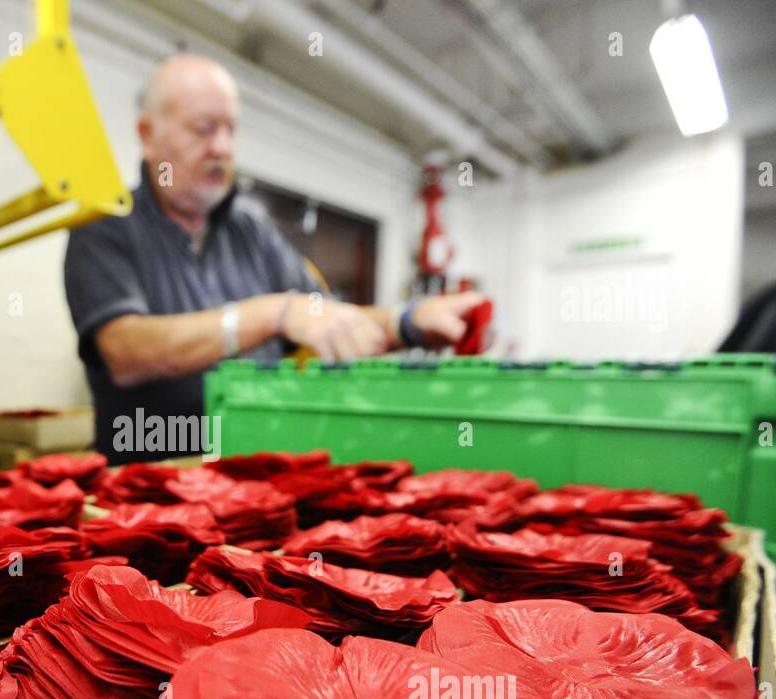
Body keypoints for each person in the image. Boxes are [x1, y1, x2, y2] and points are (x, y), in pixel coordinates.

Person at [64, 54, 482, 463]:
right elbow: (125, 352)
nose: (222, 147)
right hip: (147, 494)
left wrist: (409, 323)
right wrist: (271, 314)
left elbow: (328, 320)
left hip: (256, 483)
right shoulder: (105, 225)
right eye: (204, 129)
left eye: (231, 129)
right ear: (147, 134)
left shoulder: (251, 229)